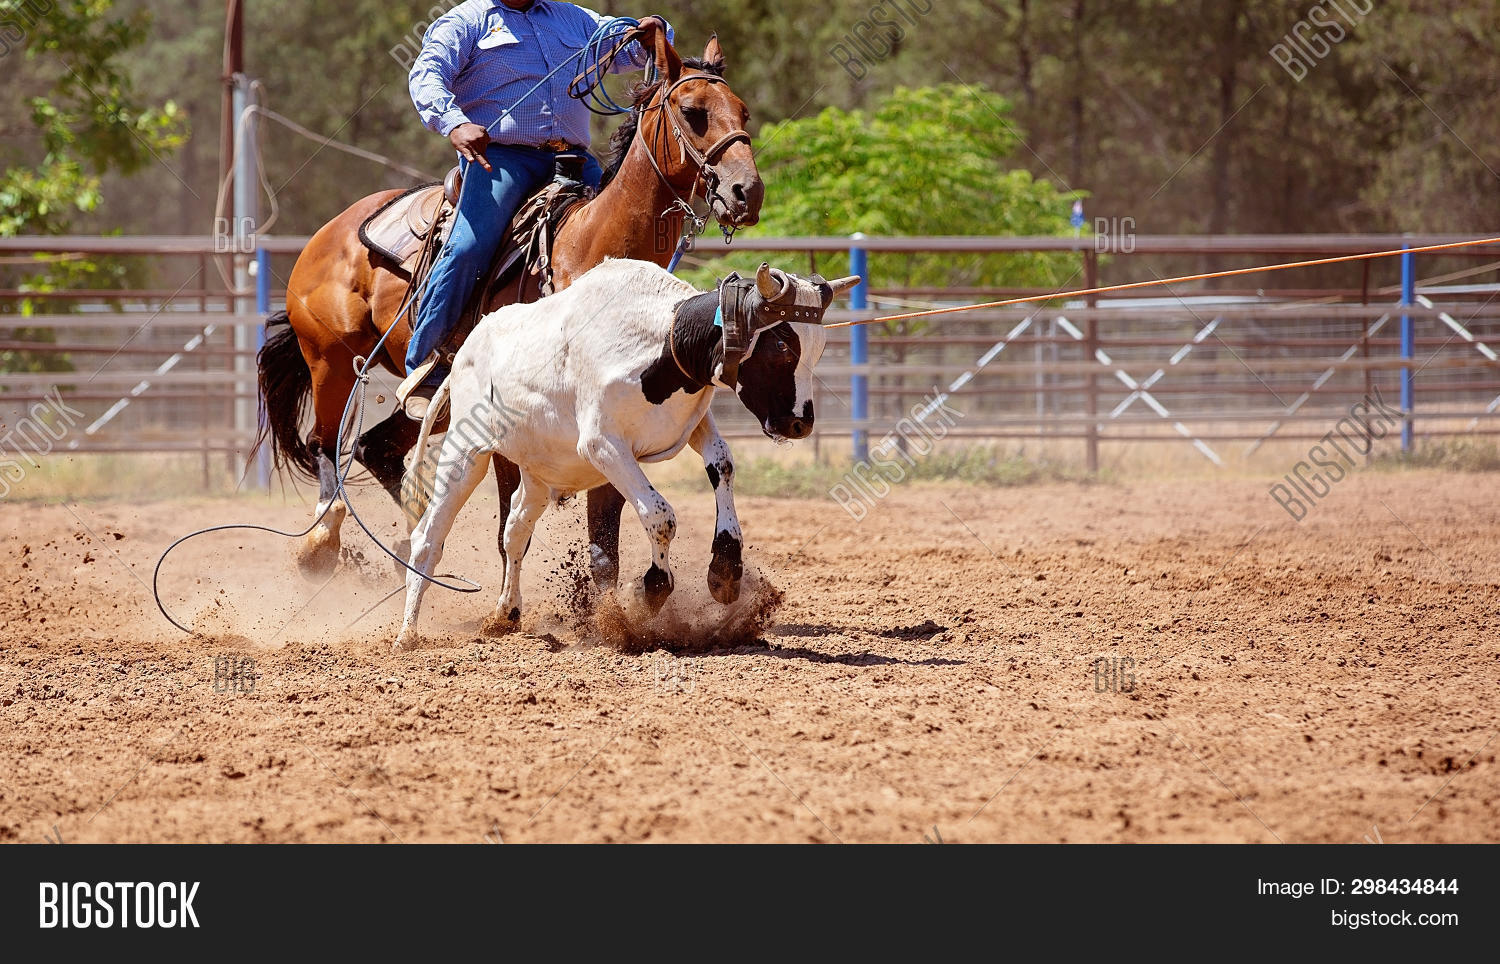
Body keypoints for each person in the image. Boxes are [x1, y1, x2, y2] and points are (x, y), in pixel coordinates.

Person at [401, 0, 671, 420]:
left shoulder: (575, 18)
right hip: (502, 158)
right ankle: (425, 365)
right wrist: (454, 123)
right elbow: (427, 75)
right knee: (469, 247)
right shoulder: (469, 21)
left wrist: (654, 34)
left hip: (574, 160)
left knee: (637, 228)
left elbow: (631, 52)